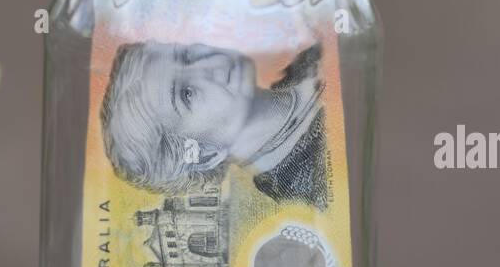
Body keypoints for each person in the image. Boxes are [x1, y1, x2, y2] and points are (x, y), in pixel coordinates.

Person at [100, 41, 330, 209]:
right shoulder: (312, 187)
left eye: (186, 55)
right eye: (186, 94)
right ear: (205, 155)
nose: (211, 66)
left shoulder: (308, 62)